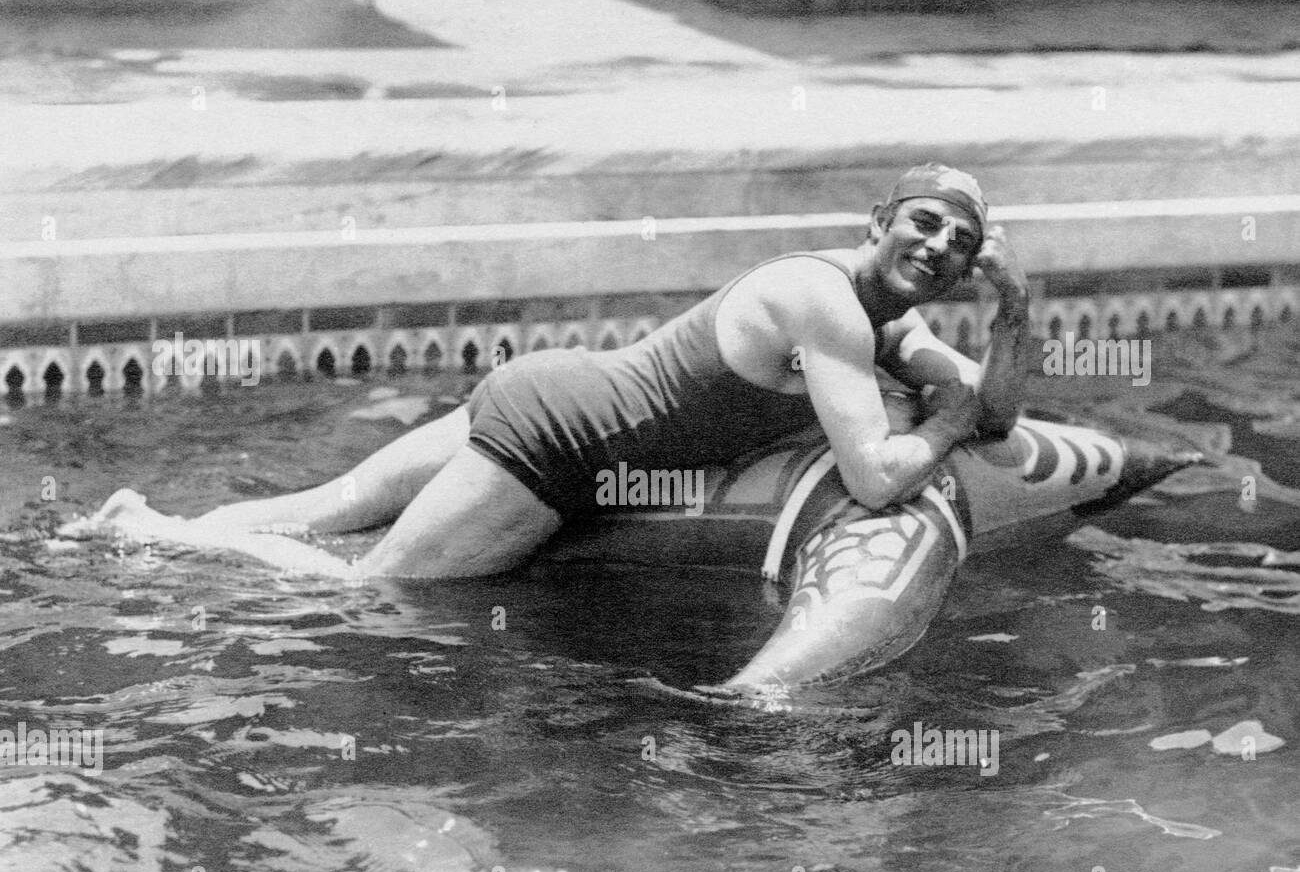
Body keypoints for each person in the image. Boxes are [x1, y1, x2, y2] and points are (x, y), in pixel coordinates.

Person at [66, 163, 1030, 580]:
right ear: (879, 222)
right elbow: (877, 474)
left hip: (550, 386)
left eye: (962, 240)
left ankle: (128, 530)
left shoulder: (881, 321)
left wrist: (1017, 311)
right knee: (365, 589)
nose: (940, 245)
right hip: (561, 440)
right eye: (924, 221)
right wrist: (938, 427)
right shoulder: (827, 307)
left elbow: (1000, 413)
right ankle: (154, 531)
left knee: (330, 503)